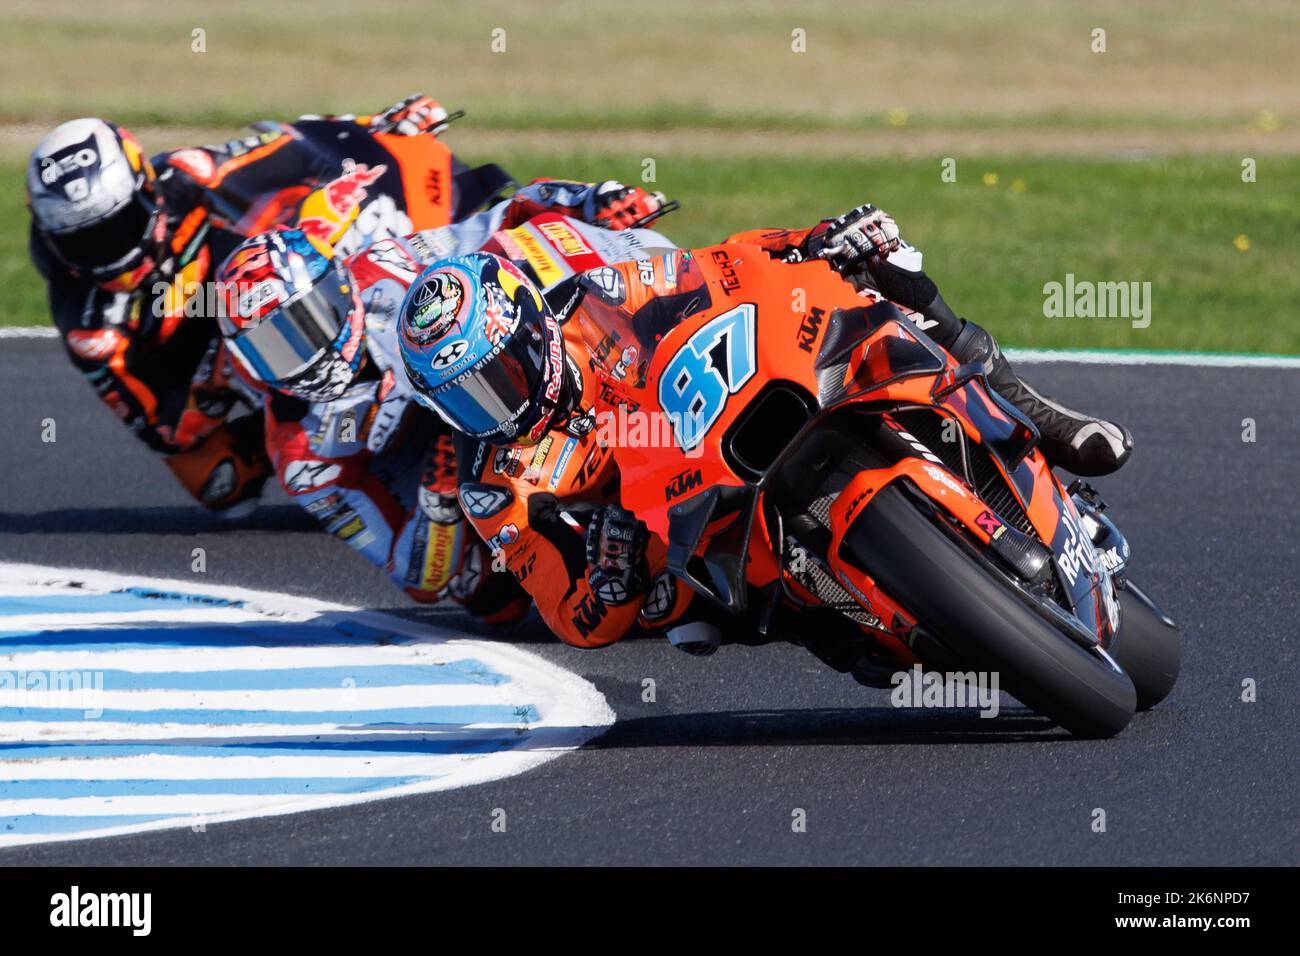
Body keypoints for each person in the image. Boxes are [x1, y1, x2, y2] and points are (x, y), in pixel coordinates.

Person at [394, 203, 1134, 654]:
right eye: (466, 400)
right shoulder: (494, 487)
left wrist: (821, 238)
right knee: (699, 626)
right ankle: (861, 625)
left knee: (884, 279)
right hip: (676, 539)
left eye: (500, 377)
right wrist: (612, 573)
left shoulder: (596, 301)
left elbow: (720, 265)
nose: (496, 408)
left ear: (530, 333)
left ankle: (1030, 411)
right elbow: (573, 617)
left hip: (733, 405)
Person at [24, 96, 510, 514]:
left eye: (117, 226)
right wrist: (213, 383)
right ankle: (341, 459)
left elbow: (290, 144)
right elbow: (165, 429)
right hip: (207, 368)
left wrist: (373, 128)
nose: (111, 252)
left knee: (326, 205)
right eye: (86, 241)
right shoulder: (92, 328)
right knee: (220, 482)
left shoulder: (189, 173)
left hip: (260, 285)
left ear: (144, 187)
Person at [213, 178, 666, 611]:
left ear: (336, 284)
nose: (305, 350)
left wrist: (590, 203)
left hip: (501, 382)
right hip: (445, 477)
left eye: (306, 320)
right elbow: (415, 578)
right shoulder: (301, 456)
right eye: (273, 345)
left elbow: (506, 217)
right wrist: (438, 501)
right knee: (483, 590)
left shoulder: (386, 265)